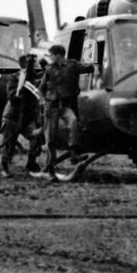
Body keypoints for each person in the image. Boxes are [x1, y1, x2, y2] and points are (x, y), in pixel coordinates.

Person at [38, 44, 91, 175]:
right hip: (51, 107)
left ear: (58, 55)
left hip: (64, 106)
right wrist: (44, 100)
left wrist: (95, 64)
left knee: (73, 122)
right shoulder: (49, 70)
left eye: (51, 55)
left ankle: (73, 153)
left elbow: (88, 68)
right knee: (51, 138)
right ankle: (50, 168)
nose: (50, 58)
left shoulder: (72, 65)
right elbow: (41, 87)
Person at [0, 54, 42, 178]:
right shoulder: (15, 79)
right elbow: (12, 96)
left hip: (28, 117)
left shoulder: (36, 79)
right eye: (34, 64)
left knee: (36, 137)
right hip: (13, 117)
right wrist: (21, 91)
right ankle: (5, 168)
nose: (36, 66)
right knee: (9, 145)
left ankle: (31, 164)